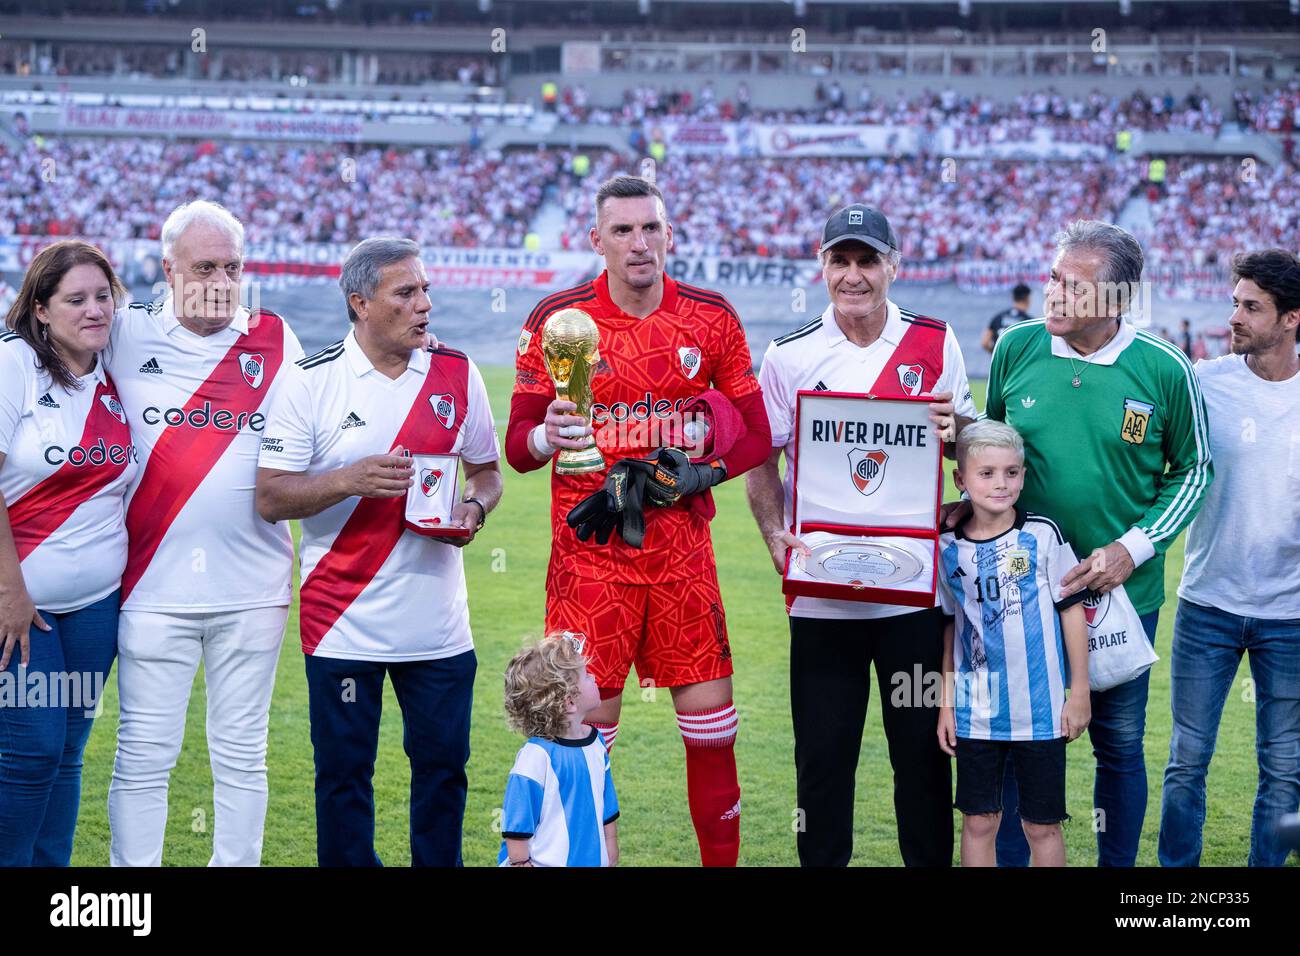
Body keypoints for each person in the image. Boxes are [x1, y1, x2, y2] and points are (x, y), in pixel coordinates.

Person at [505, 175, 771, 867]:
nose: (638, 242)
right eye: (622, 230)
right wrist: (546, 437)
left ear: (670, 235)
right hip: (589, 562)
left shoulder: (711, 318)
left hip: (683, 560)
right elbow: (517, 447)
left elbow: (756, 433)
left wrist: (703, 471)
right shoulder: (557, 320)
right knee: (581, 744)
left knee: (714, 733)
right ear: (596, 240)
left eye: (650, 227)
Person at [974, 219, 1213, 867]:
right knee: (1019, 742)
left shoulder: (1164, 368)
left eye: (1072, 286)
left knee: (1119, 744)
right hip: (1022, 592)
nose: (1053, 293)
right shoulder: (1015, 349)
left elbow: (1195, 471)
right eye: (1052, 277)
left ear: (1116, 301)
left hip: (1122, 597)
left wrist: (1131, 549)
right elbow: (992, 455)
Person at [256, 237, 501, 867]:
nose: (425, 305)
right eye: (407, 293)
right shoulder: (308, 385)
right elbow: (270, 499)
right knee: (343, 783)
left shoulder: (457, 373)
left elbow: (487, 475)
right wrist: (347, 480)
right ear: (360, 303)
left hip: (440, 630)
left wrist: (472, 510)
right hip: (343, 625)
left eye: (425, 290)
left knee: (444, 776)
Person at [745, 203, 977, 867]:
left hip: (912, 598)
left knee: (924, 762)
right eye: (840, 260)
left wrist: (954, 429)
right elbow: (762, 454)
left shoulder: (935, 341)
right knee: (822, 764)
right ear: (821, 268)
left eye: (866, 260)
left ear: (893, 267)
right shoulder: (788, 355)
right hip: (823, 597)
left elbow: (968, 447)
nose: (853, 275)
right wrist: (772, 534)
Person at [106, 200, 303, 867]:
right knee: (143, 755)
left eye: (233, 266)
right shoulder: (122, 333)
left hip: (254, 592)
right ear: (168, 270)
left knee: (243, 755)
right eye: (205, 266)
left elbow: (315, 443)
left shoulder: (276, 339)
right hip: (149, 590)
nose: (222, 280)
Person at [1159, 249, 1300, 867]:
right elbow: (1157, 468)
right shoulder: (1206, 383)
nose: (1233, 316)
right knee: (1186, 761)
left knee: (1285, 769)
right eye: (1234, 301)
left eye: (1251, 306)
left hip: (1291, 613)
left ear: (1292, 318)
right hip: (1207, 604)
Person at [0, 241, 136, 866]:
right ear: (41, 310)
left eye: (103, 296)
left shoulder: (120, 373)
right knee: (30, 750)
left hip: (95, 608)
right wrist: (10, 593)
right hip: (20, 607)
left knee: (68, 752)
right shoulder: (14, 364)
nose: (94, 310)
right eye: (75, 299)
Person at [936, 420, 1091, 867]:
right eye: (986, 474)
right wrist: (946, 704)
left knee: (1041, 825)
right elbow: (950, 626)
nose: (1000, 484)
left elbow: (1072, 612)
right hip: (975, 709)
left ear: (1023, 475)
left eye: (1011, 472)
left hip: (1039, 711)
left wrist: (1078, 692)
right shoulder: (947, 547)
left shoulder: (1043, 535)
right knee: (979, 821)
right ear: (961, 480)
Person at [499, 633, 619, 867]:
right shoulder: (536, 757)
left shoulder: (596, 743)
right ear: (569, 702)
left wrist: (611, 845)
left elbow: (607, 802)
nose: (594, 677)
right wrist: (520, 862)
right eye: (586, 675)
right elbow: (517, 817)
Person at [981, 284, 1033, 353]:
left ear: (1013, 298)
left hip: (1000, 362)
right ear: (1027, 299)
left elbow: (985, 343)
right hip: (1019, 361)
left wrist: (996, 355)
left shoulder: (998, 317)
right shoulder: (1030, 322)